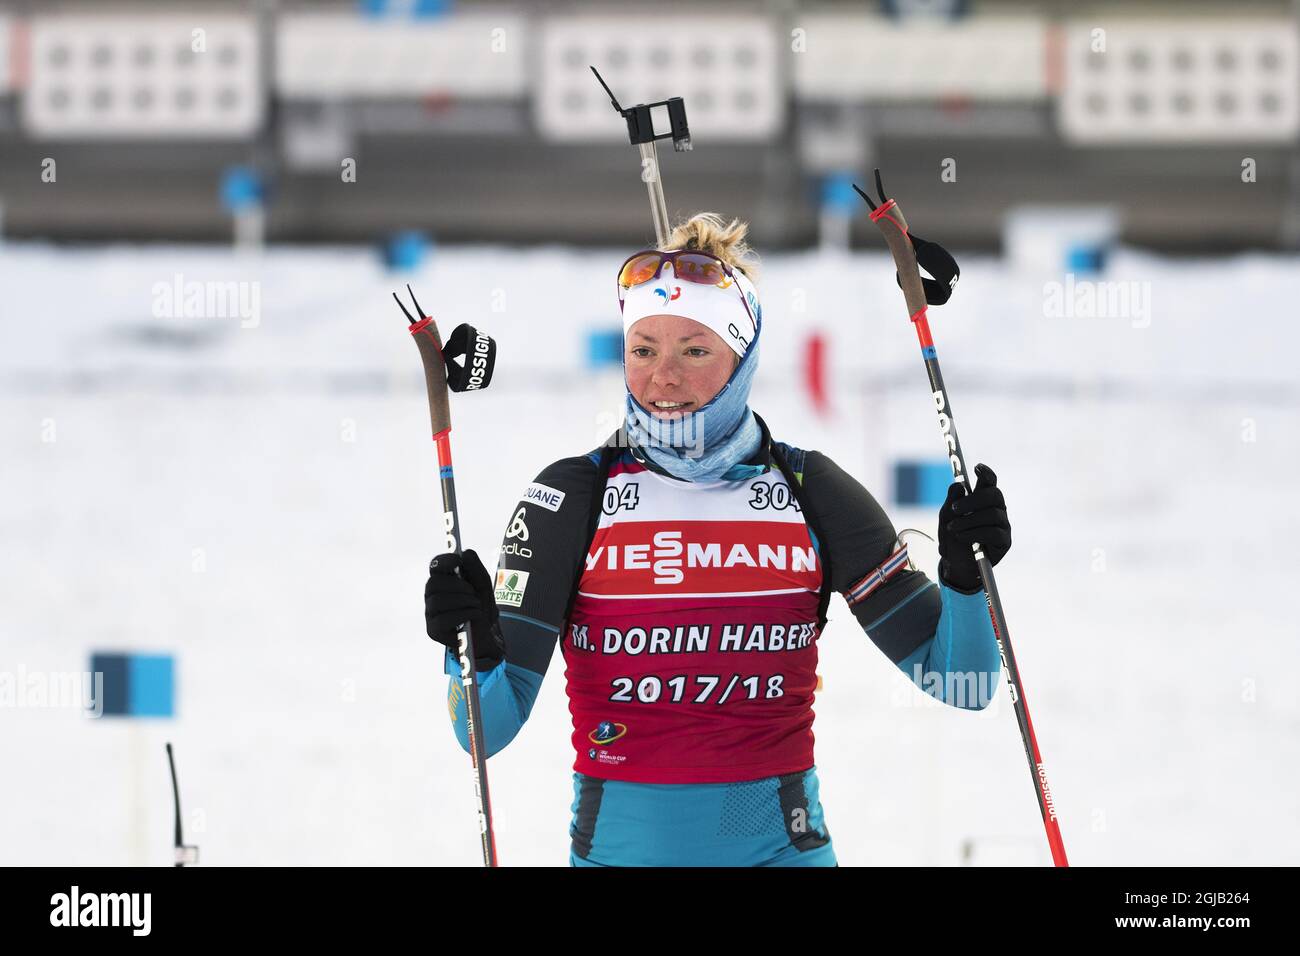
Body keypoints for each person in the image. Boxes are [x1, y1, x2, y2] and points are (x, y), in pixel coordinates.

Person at [424, 213, 1012, 867]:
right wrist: (467, 647)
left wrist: (963, 580)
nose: (664, 377)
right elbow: (484, 732)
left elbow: (966, 683)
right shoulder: (570, 500)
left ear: (743, 357)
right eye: (644, 349)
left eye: (695, 350)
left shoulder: (814, 490)